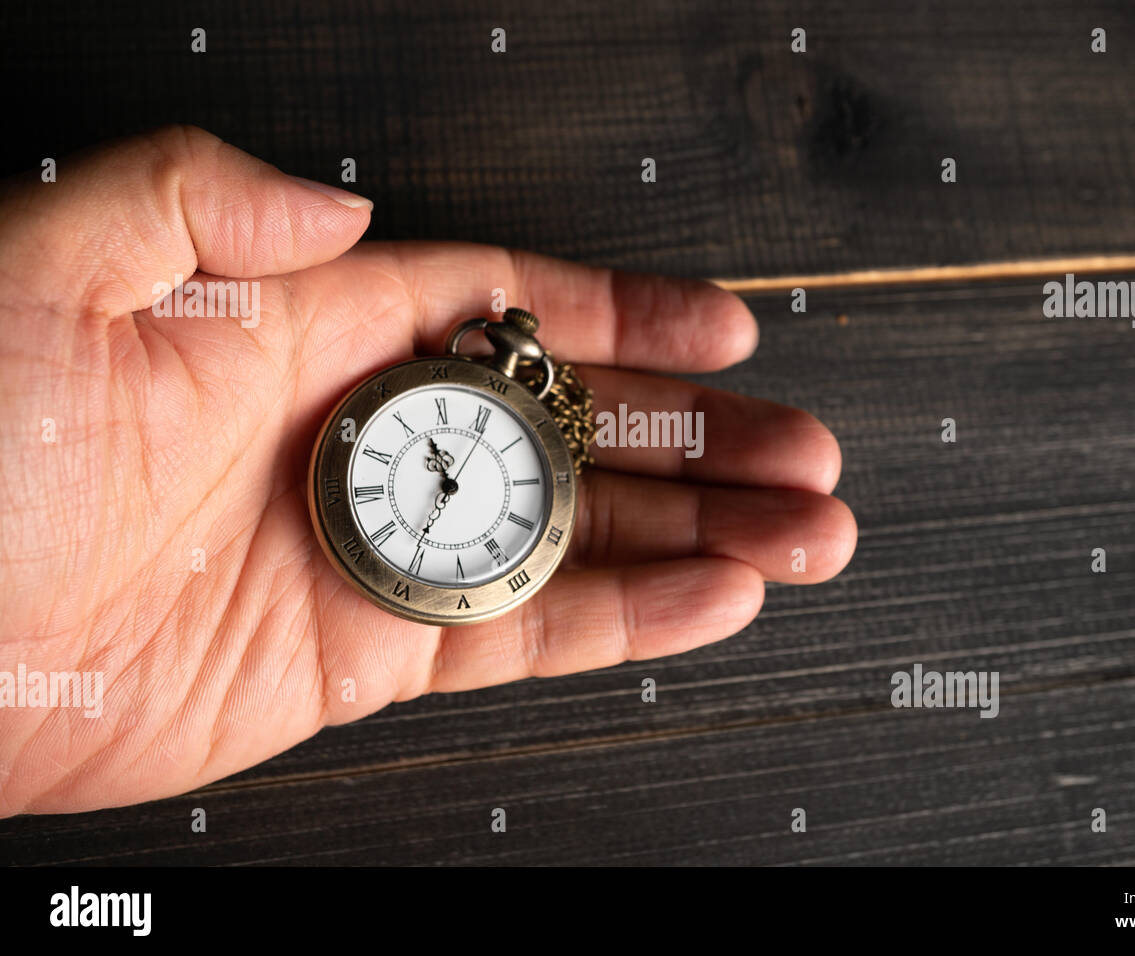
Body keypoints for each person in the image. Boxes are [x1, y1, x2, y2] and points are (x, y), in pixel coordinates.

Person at [0, 126, 856, 816]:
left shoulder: (502, 444)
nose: (446, 483)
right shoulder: (441, 418)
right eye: (444, 466)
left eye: (453, 474)